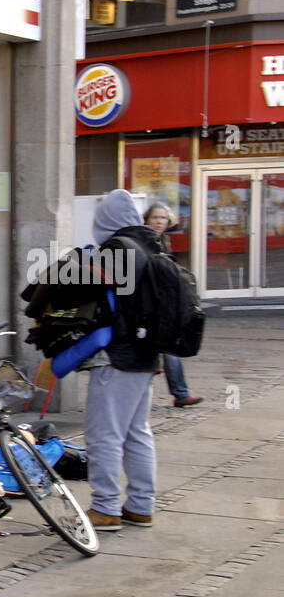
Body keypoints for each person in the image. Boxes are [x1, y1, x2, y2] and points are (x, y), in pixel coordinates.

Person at [83, 189, 162, 532]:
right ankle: (141, 506)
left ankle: (105, 508)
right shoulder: (153, 246)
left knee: (105, 435)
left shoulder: (117, 251)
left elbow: (93, 302)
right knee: (136, 432)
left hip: (117, 357)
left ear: (106, 222)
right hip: (147, 355)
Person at [143, 202, 203, 407]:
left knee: (168, 348)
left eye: (163, 218)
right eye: (155, 217)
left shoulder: (164, 241)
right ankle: (179, 393)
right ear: (147, 219)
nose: (159, 222)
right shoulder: (144, 240)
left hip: (162, 304)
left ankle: (180, 393)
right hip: (148, 304)